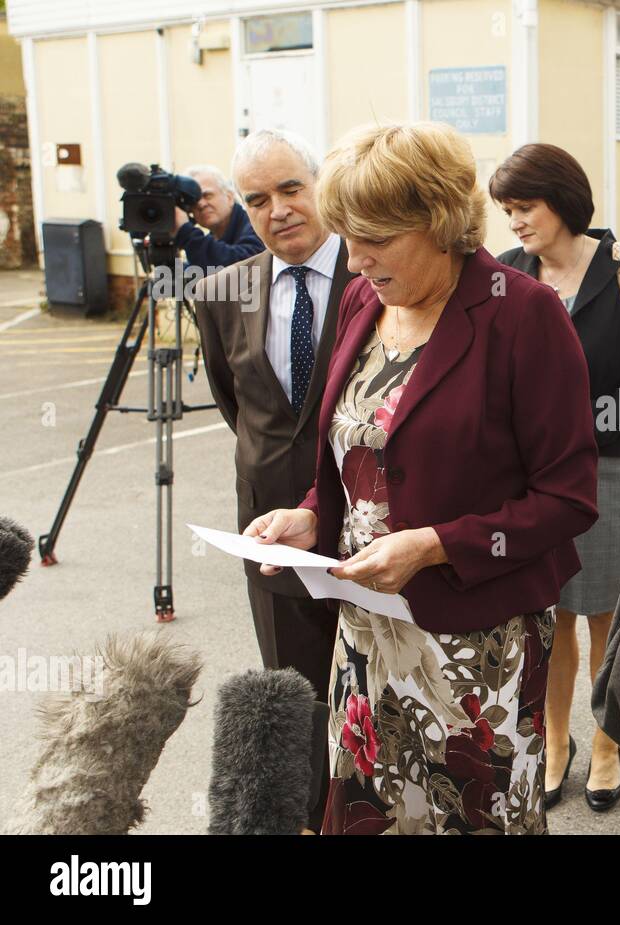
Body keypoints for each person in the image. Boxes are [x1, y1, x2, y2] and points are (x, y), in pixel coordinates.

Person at [245, 122, 598, 835]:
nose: (356, 257)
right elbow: (356, 453)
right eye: (347, 236)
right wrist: (314, 514)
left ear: (439, 222)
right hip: (367, 635)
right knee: (370, 815)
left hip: (475, 646)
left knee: (470, 820)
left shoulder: (523, 313)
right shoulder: (361, 301)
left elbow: (568, 497)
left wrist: (434, 543)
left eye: (375, 238)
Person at [491, 144, 620, 812]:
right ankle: (555, 741)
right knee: (550, 616)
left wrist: (572, 427)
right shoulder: (508, 272)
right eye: (506, 210)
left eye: (524, 207)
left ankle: (605, 743)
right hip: (530, 478)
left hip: (608, 467)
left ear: (562, 200)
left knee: (604, 615)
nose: (514, 221)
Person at [193, 128, 353, 831]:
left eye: (291, 188)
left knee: (374, 687)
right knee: (296, 692)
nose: (278, 208)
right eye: (257, 199)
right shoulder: (221, 292)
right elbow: (241, 408)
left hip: (371, 518)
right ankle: (311, 818)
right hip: (269, 531)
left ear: (319, 185)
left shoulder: (376, 273)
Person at [176, 164, 264, 272]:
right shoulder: (212, 243)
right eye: (194, 201)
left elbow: (243, 266)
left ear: (229, 197)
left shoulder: (255, 226)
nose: (201, 204)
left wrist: (187, 233)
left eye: (207, 195)